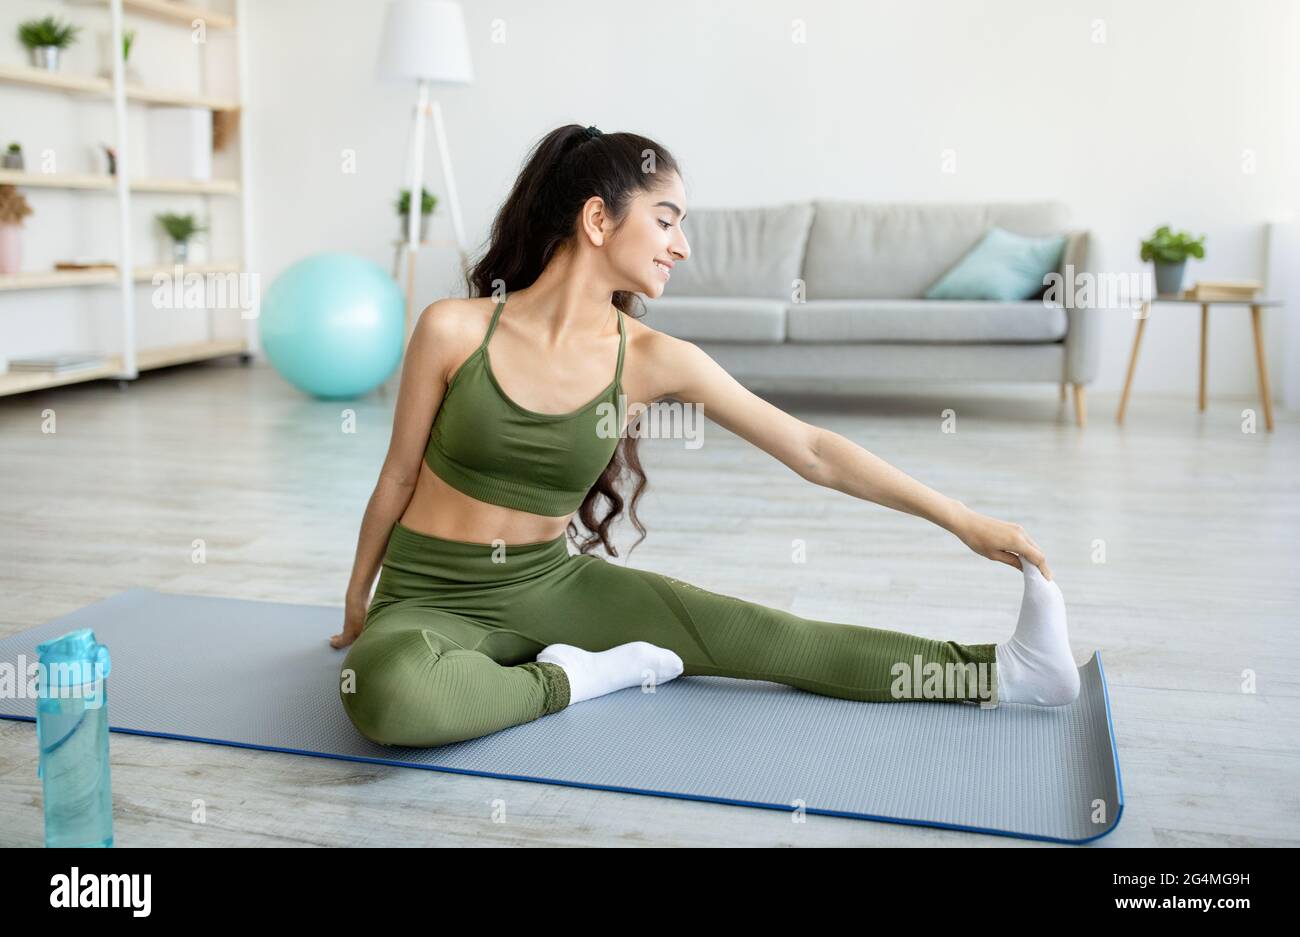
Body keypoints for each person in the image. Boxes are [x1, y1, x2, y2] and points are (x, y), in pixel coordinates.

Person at [330, 124, 1079, 749]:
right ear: (597, 221)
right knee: (389, 697)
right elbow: (397, 477)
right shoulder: (453, 329)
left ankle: (1004, 672)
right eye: (666, 219)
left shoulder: (655, 360)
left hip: (548, 586)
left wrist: (961, 518)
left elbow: (811, 449)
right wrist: (359, 601)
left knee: (766, 636)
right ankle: (576, 677)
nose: (682, 245)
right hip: (428, 592)